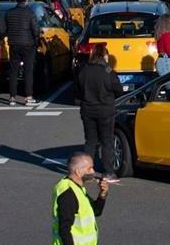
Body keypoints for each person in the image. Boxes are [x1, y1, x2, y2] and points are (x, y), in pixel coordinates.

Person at [76, 45, 122, 182]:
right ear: (104, 56)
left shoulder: (84, 70)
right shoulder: (107, 71)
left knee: (90, 141)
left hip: (87, 110)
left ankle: (87, 172)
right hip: (105, 110)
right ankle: (108, 172)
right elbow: (118, 89)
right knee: (106, 141)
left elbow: (77, 90)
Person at [52, 153, 108, 245]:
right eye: (89, 168)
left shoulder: (77, 188)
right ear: (78, 172)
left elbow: (96, 211)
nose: (93, 172)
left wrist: (103, 194)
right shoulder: (68, 194)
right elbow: (64, 230)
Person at [5, 0, 40, 106]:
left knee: (13, 71)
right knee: (28, 71)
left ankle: (12, 97)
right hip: (28, 44)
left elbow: (5, 29)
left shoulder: (9, 13)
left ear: (16, 0)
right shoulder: (30, 13)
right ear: (26, 0)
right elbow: (36, 30)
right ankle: (28, 96)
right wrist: (36, 41)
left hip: (14, 44)